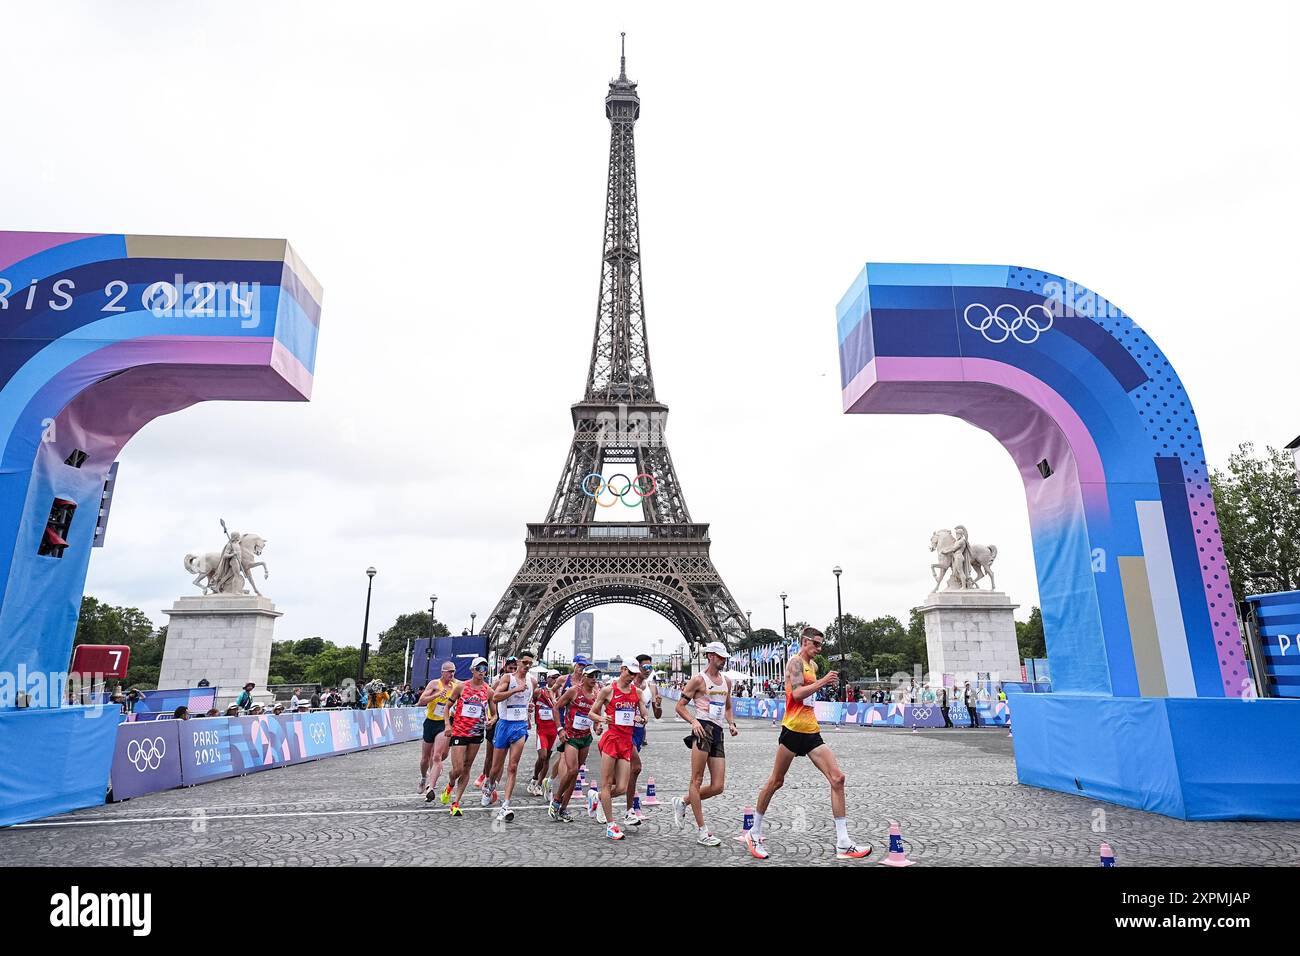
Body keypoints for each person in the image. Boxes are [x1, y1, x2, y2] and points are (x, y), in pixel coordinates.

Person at [745, 626, 871, 861]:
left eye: (821, 644)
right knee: (776, 781)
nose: (819, 648)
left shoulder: (813, 666)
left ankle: (843, 843)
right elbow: (797, 694)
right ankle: (754, 832)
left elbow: (809, 697)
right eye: (816, 644)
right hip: (792, 730)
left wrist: (823, 683)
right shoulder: (794, 663)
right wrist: (823, 682)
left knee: (838, 778)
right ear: (805, 642)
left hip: (811, 731)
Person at [671, 641, 737, 847]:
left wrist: (731, 723)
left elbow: (727, 706)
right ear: (709, 656)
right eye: (719, 656)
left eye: (725, 657)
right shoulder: (698, 680)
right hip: (702, 729)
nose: (723, 660)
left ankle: (682, 801)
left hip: (717, 732)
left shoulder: (727, 681)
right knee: (697, 780)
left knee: (718, 786)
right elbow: (679, 706)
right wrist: (693, 721)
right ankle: (702, 831)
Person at [588, 660, 651, 840]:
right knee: (607, 783)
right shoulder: (608, 690)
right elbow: (591, 713)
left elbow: (644, 713)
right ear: (622, 670)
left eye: (634, 674)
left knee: (622, 787)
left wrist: (643, 719)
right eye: (629, 673)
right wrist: (602, 718)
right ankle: (611, 825)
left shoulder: (637, 692)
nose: (632, 677)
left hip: (626, 742)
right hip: (611, 739)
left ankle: (596, 797)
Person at [486, 651, 536, 822]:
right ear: (519, 662)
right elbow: (495, 697)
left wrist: (529, 710)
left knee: (512, 767)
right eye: (524, 662)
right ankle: (490, 785)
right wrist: (515, 690)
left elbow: (529, 701)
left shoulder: (532, 681)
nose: (527, 666)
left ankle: (505, 805)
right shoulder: (508, 678)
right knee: (495, 768)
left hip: (520, 726)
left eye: (530, 663)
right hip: (504, 724)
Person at [548, 665, 600, 823]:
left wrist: (597, 726)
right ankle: (556, 801)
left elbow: (596, 715)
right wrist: (559, 729)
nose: (593, 679)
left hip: (585, 737)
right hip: (571, 737)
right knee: (571, 770)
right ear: (584, 677)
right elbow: (556, 707)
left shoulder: (597, 694)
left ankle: (563, 808)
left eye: (596, 676)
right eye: (591, 676)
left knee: (575, 773)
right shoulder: (573, 691)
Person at [443, 657, 493, 817]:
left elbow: (495, 714)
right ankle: (450, 784)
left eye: (484, 668)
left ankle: (456, 802)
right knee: (457, 769)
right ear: (472, 670)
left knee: (467, 767)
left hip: (476, 733)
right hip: (459, 732)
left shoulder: (488, 690)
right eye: (479, 668)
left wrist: (492, 720)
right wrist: (447, 725)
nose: (482, 671)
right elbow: (447, 707)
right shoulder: (461, 687)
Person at [626, 653, 661, 821]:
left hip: (639, 732)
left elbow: (658, 715)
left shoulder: (652, 688)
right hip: (626, 731)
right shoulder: (628, 685)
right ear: (637, 667)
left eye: (650, 668)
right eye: (645, 667)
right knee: (636, 768)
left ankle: (600, 798)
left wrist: (659, 704)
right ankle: (631, 809)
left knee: (628, 773)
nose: (648, 670)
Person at [418, 661, 458, 800]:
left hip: (444, 723)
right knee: (425, 758)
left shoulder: (455, 686)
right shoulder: (434, 684)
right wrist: (437, 695)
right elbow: (421, 701)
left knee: (437, 756)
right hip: (430, 723)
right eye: (449, 672)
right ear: (442, 672)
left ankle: (431, 787)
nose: (451, 674)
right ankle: (424, 778)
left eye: (453, 671)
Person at [528, 669, 562, 797]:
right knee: (542, 756)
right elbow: (529, 702)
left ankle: (540, 784)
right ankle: (535, 778)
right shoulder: (539, 692)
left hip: (553, 731)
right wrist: (528, 717)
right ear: (547, 679)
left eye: (557, 678)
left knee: (547, 758)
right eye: (553, 678)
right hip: (542, 730)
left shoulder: (560, 695)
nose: (555, 680)